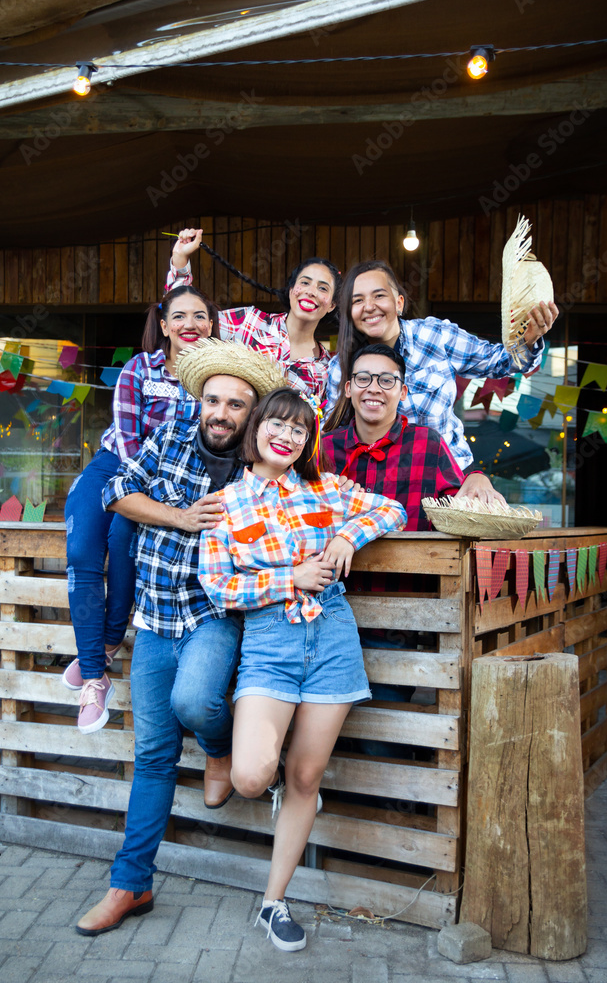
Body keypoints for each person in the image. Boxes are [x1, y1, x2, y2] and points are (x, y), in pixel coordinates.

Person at [75, 338, 288, 937]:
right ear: (201, 402)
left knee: (195, 702)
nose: (220, 412)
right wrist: (178, 515)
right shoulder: (169, 438)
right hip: (153, 619)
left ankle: (218, 748)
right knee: (153, 757)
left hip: (214, 614)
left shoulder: (262, 469)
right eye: (213, 399)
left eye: (236, 404)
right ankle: (130, 884)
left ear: (252, 414)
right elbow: (114, 491)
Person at [198, 386, 406, 952]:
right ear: (254, 430)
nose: (287, 437)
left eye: (298, 429)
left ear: (308, 439)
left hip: (333, 640)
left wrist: (345, 535)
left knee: (306, 778)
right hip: (271, 644)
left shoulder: (328, 489)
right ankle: (281, 786)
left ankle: (273, 902)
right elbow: (218, 584)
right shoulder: (226, 504)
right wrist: (290, 579)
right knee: (249, 777)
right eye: (276, 425)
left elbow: (392, 508)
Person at [63, 284, 220, 734]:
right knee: (82, 549)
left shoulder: (213, 382)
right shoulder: (139, 368)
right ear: (165, 325)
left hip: (168, 482)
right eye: (180, 317)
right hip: (120, 462)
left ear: (212, 325)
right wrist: (148, 498)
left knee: (123, 540)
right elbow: (130, 449)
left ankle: (107, 645)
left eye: (200, 317)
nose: (190, 325)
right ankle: (95, 676)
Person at [324, 259, 559, 502]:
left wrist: (527, 340)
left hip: (447, 483)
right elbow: (334, 437)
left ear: (399, 302)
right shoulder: (340, 369)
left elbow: (502, 362)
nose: (369, 307)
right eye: (357, 300)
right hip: (375, 486)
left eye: (379, 296)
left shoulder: (435, 335)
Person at [166, 228, 340, 398]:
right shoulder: (249, 321)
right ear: (291, 289)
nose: (311, 292)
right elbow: (192, 321)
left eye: (323, 288)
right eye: (305, 282)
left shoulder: (324, 369)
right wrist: (180, 259)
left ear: (332, 304)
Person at [323, 343, 469, 531]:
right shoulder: (324, 448)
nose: (374, 388)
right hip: (338, 559)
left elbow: (461, 513)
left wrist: (476, 477)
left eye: (386, 380)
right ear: (349, 389)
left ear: (403, 392)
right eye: (363, 379)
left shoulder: (428, 443)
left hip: (417, 559)